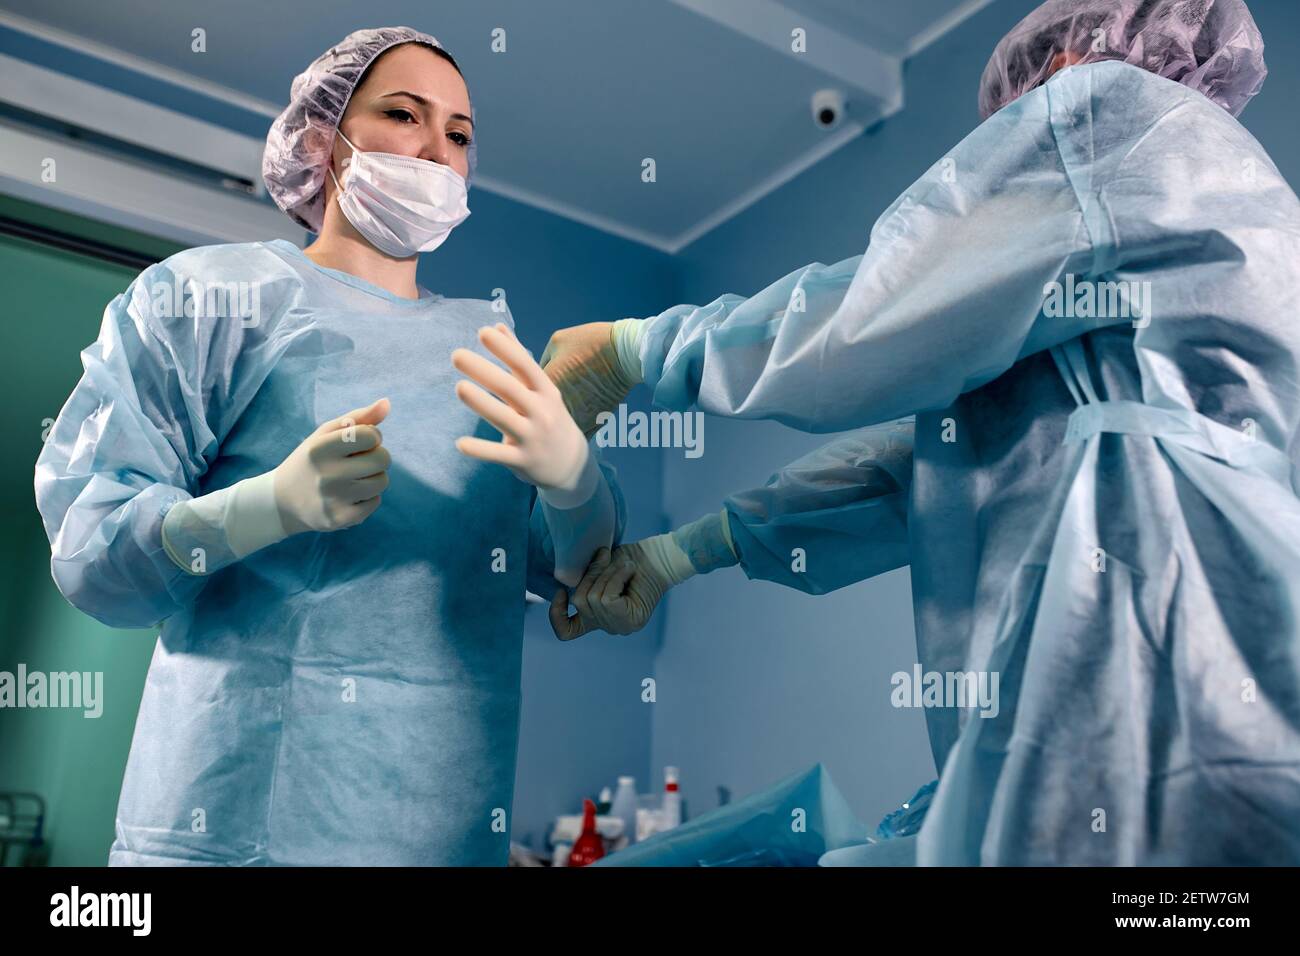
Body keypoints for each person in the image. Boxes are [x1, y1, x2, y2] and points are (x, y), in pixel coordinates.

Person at [539, 0, 1300, 865]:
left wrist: (643, 348)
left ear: (1068, 63)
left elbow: (875, 319)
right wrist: (685, 553)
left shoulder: (1112, 117)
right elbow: (936, 465)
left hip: (1145, 686)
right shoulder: (1161, 254)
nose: (1017, 139)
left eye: (1020, 118)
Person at [34, 26, 623, 866]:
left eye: (458, 134)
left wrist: (575, 484)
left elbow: (585, 584)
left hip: (446, 833)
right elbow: (94, 552)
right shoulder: (216, 298)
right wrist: (261, 508)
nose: (436, 151)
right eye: (404, 115)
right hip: (228, 829)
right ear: (322, 138)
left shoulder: (493, 344)